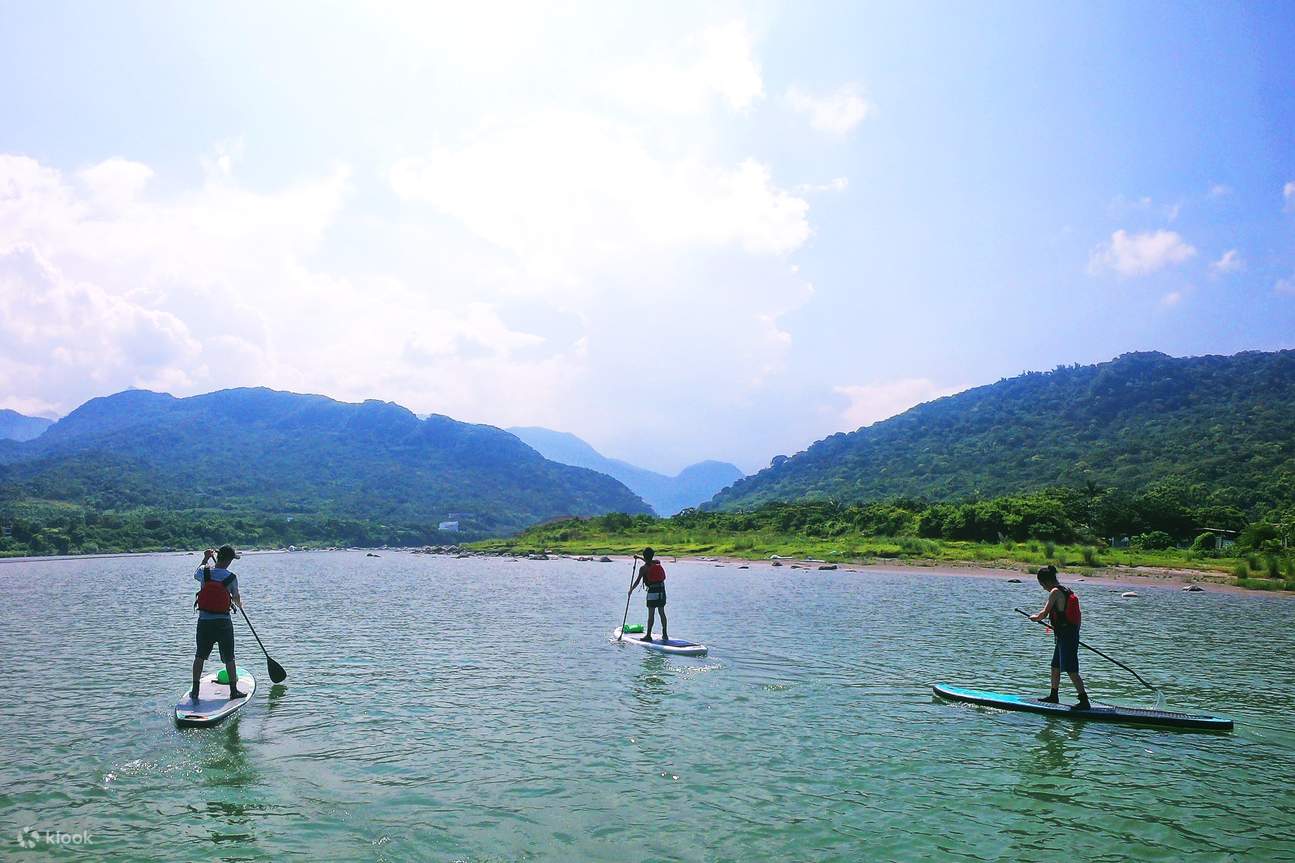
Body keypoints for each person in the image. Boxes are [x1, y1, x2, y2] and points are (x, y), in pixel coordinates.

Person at [1029, 564, 1090, 709]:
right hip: (1067, 635)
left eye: (1042, 585)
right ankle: (1054, 696)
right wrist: (1073, 633)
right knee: (1055, 666)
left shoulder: (1055, 592)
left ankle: (1084, 701)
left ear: (1046, 582)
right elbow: (1078, 617)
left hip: (1067, 636)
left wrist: (1034, 618)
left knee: (1071, 669)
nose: (1043, 588)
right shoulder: (1067, 590)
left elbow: (1043, 614)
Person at [190, 545, 246, 701]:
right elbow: (236, 598)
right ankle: (233, 691)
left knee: (200, 656)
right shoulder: (231, 577)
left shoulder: (204, 571)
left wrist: (206, 558)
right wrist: (238, 604)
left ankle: (195, 690)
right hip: (223, 622)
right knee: (229, 657)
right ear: (228, 560)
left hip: (204, 622)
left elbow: (196, 574)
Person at [628, 547, 669, 642]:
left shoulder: (643, 568)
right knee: (662, 612)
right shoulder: (657, 563)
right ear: (652, 555)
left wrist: (631, 590)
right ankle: (665, 634)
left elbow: (638, 581)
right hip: (661, 590)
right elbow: (649, 561)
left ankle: (648, 635)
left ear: (644, 556)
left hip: (652, 592)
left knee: (651, 614)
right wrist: (639, 557)